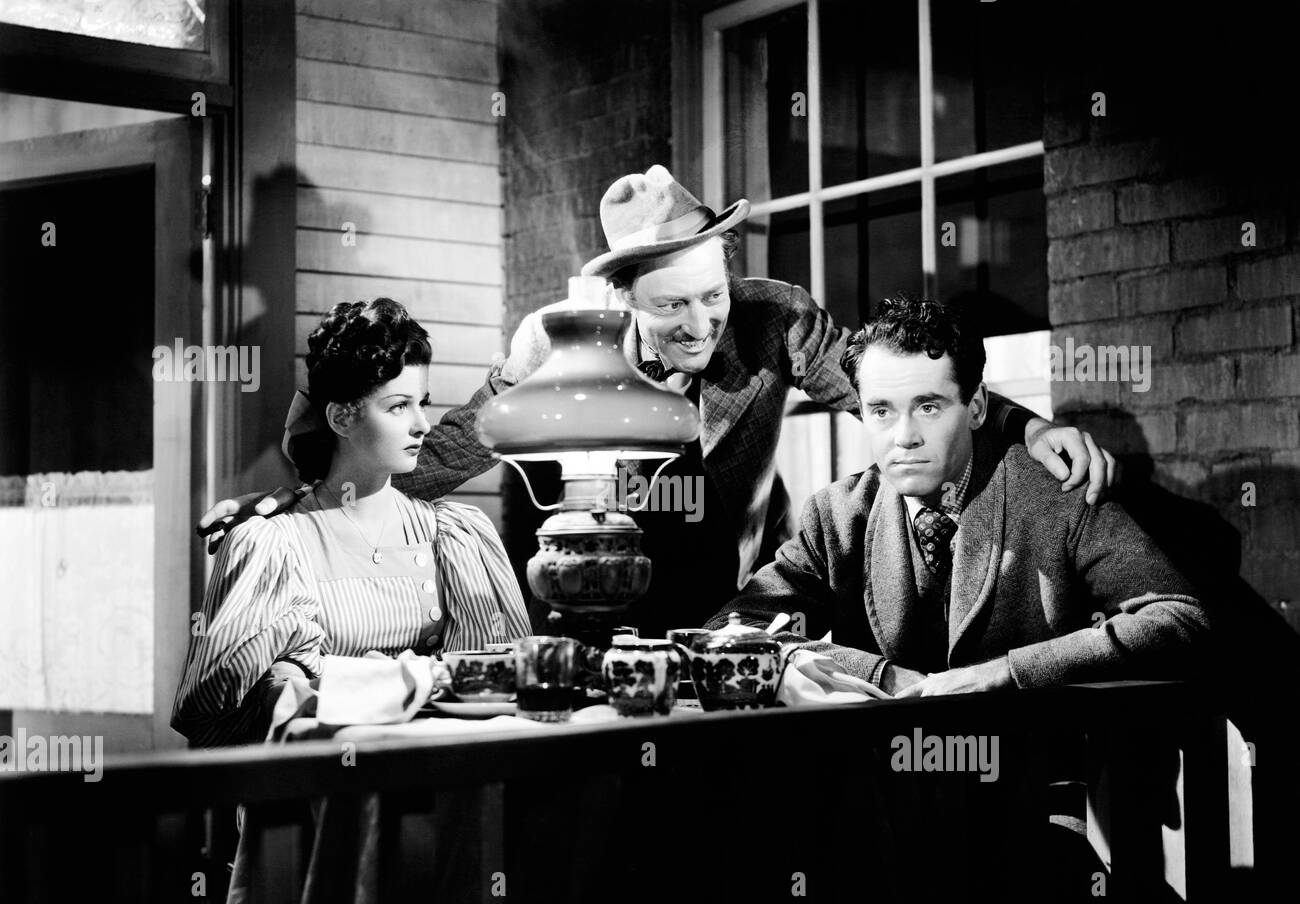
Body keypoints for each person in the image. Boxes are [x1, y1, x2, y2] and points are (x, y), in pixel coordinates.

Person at [197, 166, 1119, 637]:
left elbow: (897, 392)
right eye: (672, 306)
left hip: (748, 617)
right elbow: (440, 456)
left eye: (711, 295)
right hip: (599, 626)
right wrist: (308, 503)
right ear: (626, 298)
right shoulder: (560, 349)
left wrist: (1033, 428)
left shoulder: (772, 321)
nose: (700, 323)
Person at [703, 295, 1210, 693]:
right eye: (881, 411)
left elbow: (1179, 619)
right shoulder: (836, 516)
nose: (904, 437)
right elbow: (732, 628)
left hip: (1033, 790)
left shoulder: (1059, 495)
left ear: (976, 407)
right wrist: (880, 675)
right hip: (890, 797)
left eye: (928, 407)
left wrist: (1007, 673)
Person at [171, 298, 531, 748]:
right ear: (342, 417)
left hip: (439, 769)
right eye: (399, 406)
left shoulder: (457, 534)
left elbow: (503, 679)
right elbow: (213, 705)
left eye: (423, 403)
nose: (423, 424)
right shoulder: (273, 543)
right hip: (325, 782)